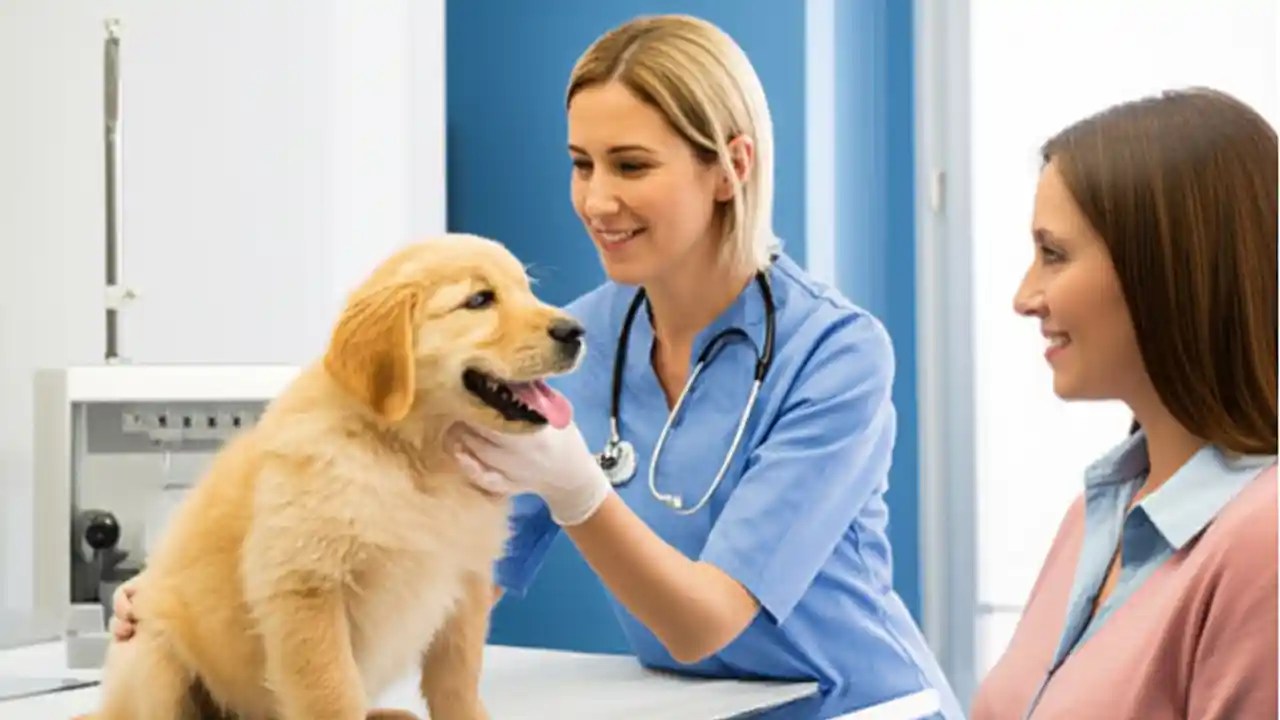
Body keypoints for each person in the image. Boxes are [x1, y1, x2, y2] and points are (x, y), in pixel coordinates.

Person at [110, 13, 961, 720]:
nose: (597, 200)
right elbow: (455, 572)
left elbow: (707, 625)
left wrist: (579, 492)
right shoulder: (572, 338)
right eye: (581, 164)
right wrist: (202, 600)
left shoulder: (835, 355)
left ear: (731, 167)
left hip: (859, 706)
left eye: (631, 165)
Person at [971, 87, 1277, 719]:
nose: (1025, 297)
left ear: (1165, 268)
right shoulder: (1095, 512)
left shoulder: (1262, 544)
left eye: (1053, 254)